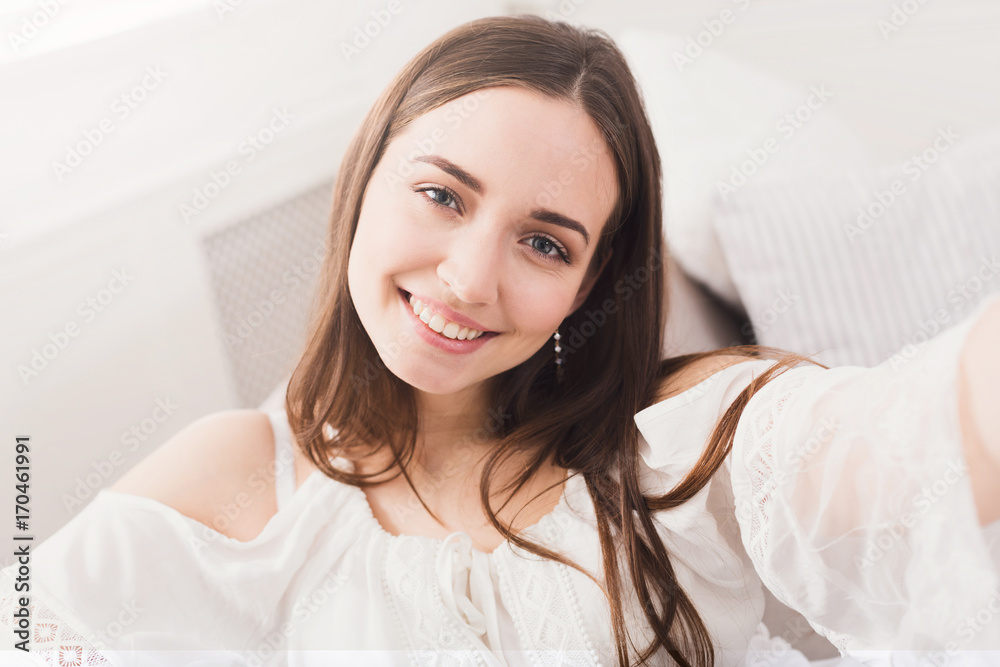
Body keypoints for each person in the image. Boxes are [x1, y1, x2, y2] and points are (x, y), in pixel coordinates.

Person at [2, 14, 999, 667]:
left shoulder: (688, 446)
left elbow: (936, 428)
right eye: (441, 194)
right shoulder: (240, 475)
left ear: (589, 284)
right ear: (365, 180)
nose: (470, 278)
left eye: (542, 241)